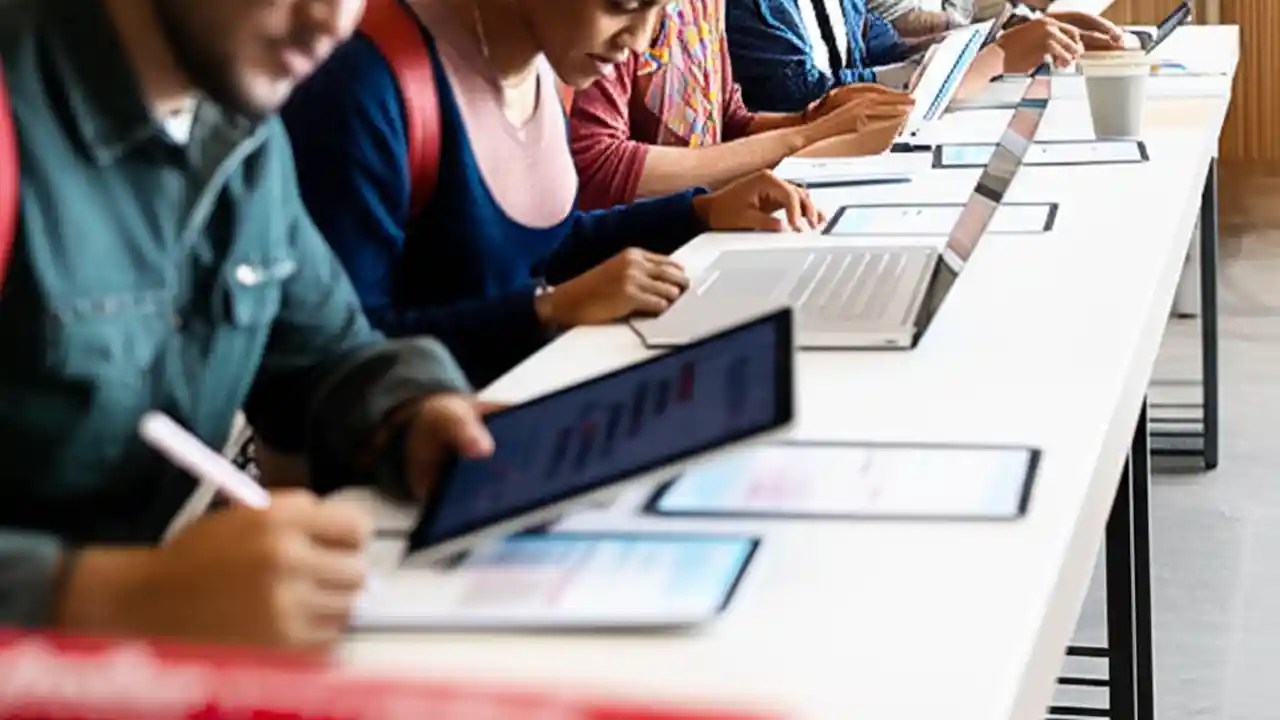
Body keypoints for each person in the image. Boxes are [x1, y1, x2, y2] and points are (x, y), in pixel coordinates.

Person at [0, 0, 498, 649]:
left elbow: (325, 355)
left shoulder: (240, 123)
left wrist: (412, 415)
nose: (333, 22)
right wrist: (108, 596)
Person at [282, 0, 823, 389]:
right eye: (622, 5)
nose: (637, 39)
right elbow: (339, 352)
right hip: (401, 465)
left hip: (518, 402)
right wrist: (548, 311)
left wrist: (700, 212)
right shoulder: (364, 86)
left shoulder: (540, 60)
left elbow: (545, 241)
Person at [569, 0, 916, 210]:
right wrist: (806, 136)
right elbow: (600, 165)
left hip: (701, 220)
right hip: (633, 248)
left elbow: (729, 120)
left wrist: (811, 116)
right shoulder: (614, 21)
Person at [724, 0, 1114, 112]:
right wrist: (993, 58)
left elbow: (886, 49)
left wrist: (1006, 33)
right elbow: (804, 95)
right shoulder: (750, 7)